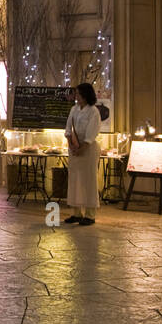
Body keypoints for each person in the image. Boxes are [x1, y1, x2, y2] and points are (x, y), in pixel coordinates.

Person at [63, 82, 102, 226]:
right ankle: (76, 212)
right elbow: (68, 128)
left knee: (88, 180)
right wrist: (71, 144)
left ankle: (90, 214)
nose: (76, 97)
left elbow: (91, 133)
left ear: (85, 95)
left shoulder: (93, 112)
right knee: (75, 180)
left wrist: (82, 148)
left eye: (78, 94)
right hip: (74, 148)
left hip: (88, 149)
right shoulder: (74, 109)